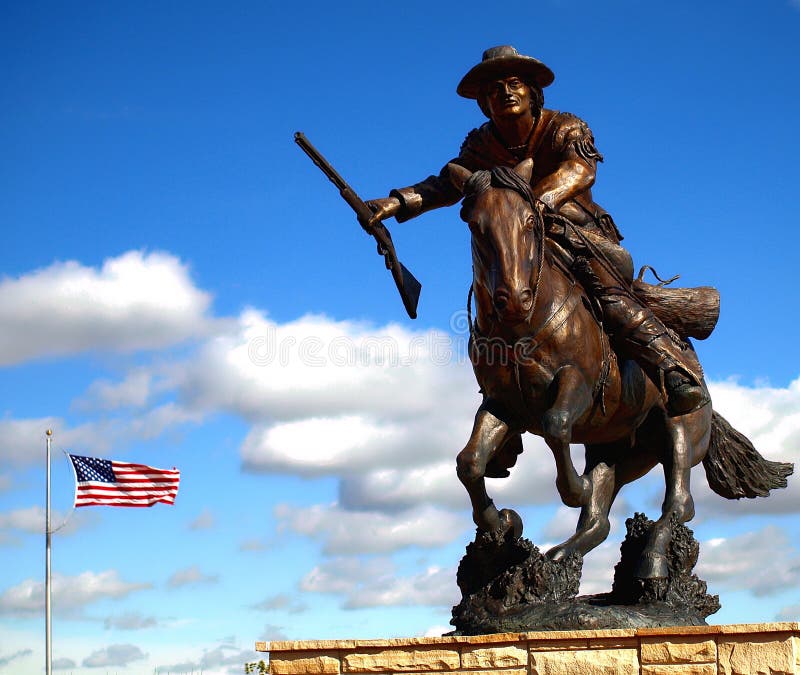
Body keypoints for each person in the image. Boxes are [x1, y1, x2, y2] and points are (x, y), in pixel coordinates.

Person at [367, 45, 708, 416]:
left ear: (532, 92)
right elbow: (446, 184)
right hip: (516, 239)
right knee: (491, 295)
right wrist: (396, 203)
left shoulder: (565, 127)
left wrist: (534, 203)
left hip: (576, 232)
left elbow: (579, 170)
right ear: (485, 103)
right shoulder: (480, 145)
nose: (506, 93)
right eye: (494, 89)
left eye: (514, 83)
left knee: (608, 292)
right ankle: (501, 396)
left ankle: (671, 368)